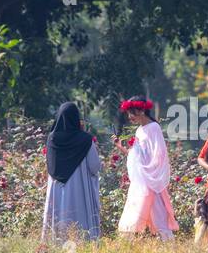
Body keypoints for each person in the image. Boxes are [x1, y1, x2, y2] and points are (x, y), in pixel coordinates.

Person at [115, 98, 178, 239]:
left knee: (160, 216)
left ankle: (169, 245)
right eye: (129, 113)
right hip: (142, 180)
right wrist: (122, 148)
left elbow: (159, 154)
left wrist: (150, 172)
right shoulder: (139, 130)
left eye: (132, 113)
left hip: (151, 179)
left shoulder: (153, 128)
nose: (130, 117)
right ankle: (126, 244)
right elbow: (138, 155)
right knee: (134, 210)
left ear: (142, 111)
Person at [41, 101, 101, 241]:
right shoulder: (85, 140)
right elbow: (94, 167)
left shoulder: (51, 139)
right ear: (76, 118)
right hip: (79, 190)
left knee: (56, 225)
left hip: (56, 190)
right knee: (80, 227)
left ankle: (54, 244)